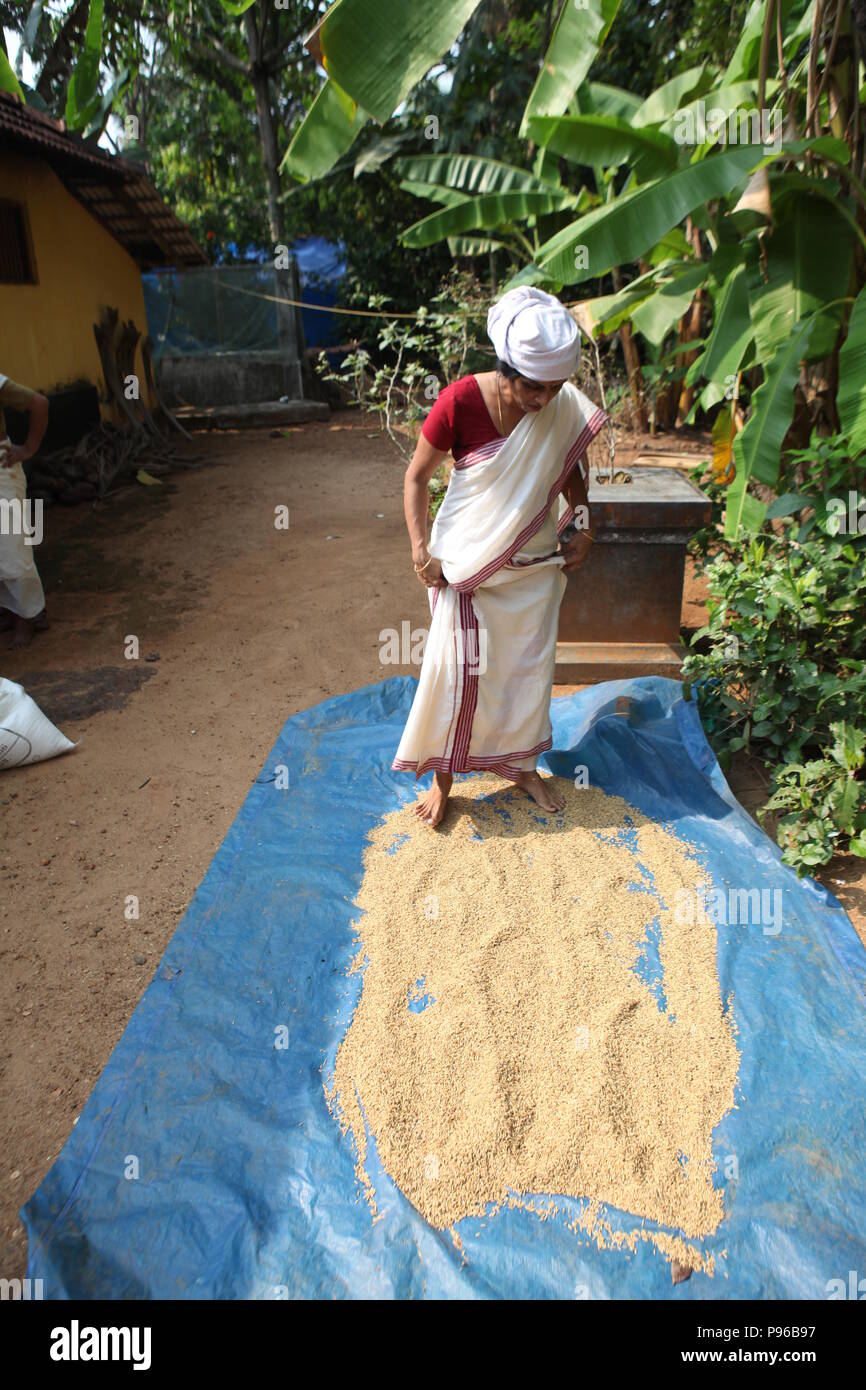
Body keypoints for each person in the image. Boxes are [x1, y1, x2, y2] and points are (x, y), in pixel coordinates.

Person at [394, 286, 607, 827]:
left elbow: (572, 478)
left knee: (526, 668)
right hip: (465, 561)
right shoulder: (459, 402)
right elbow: (416, 477)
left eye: (555, 389)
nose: (543, 401)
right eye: (533, 389)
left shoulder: (554, 407)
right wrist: (422, 551)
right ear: (505, 368)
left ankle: (522, 766)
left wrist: (583, 528)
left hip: (532, 564)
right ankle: (445, 780)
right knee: (459, 669)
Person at [0, 372, 49, 649]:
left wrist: (28, 448)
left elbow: (39, 403)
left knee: (12, 550)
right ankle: (10, 610)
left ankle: (28, 616)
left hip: (2, 468)